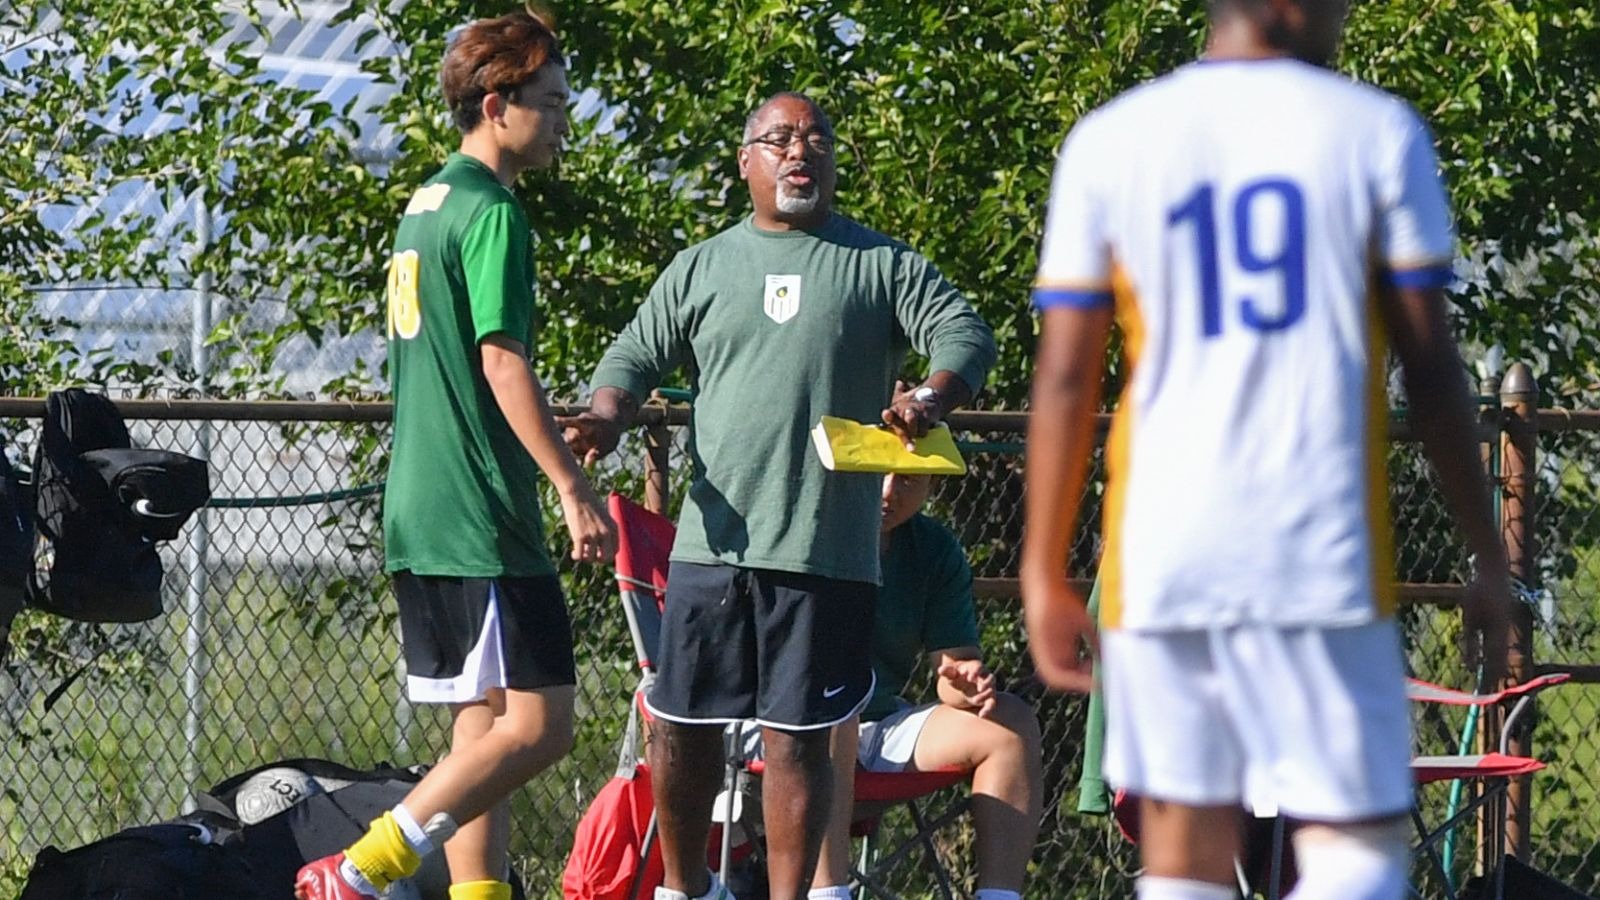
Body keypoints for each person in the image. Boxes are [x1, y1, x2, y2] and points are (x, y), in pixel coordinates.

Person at [1020, 2, 1514, 900]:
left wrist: (1042, 569)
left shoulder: (1114, 137)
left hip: (1166, 552)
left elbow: (1063, 377)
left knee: (1184, 859)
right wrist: (1485, 551)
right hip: (1319, 545)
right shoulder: (1373, 130)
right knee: (1353, 849)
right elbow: (1434, 371)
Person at [560, 93, 996, 900]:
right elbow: (630, 358)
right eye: (781, 139)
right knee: (682, 729)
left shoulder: (879, 263)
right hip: (711, 549)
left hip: (824, 554)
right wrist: (604, 420)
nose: (802, 152)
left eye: (818, 140)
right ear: (746, 161)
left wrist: (930, 398)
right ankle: (688, 889)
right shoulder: (702, 266)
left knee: (799, 743)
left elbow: (966, 334)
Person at [295, 11, 617, 900]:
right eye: (550, 103)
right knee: (544, 727)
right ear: (495, 102)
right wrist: (571, 483)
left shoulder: (424, 202)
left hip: (421, 503)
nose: (561, 121)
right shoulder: (492, 212)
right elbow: (501, 359)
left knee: (482, 732)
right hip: (480, 510)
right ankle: (365, 867)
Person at [796, 473, 1042, 900]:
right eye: (879, 471)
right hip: (791, 728)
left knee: (1012, 722)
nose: (890, 490)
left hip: (880, 725)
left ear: (931, 485)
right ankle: (828, 893)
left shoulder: (934, 548)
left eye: (909, 479)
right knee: (835, 710)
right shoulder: (803, 530)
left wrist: (966, 683)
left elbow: (952, 667)